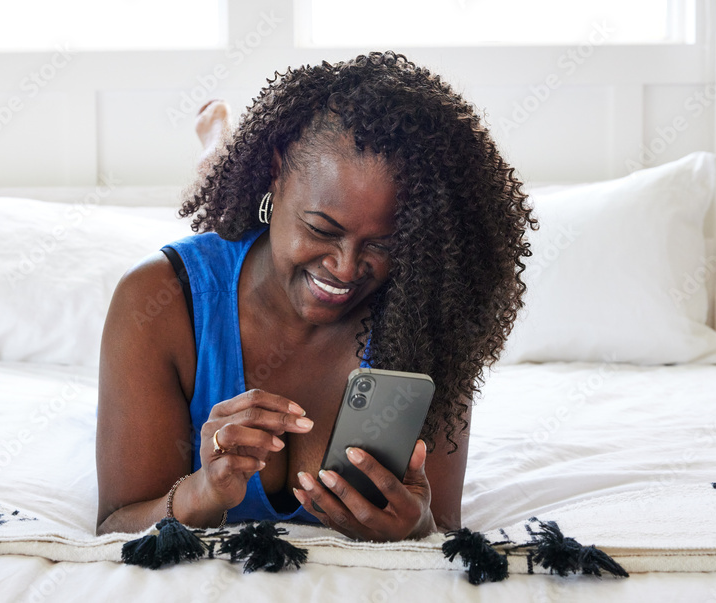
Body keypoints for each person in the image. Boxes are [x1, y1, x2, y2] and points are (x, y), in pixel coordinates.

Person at [96, 51, 535, 542]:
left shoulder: (433, 308)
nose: (346, 268)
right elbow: (116, 524)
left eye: (381, 244)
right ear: (277, 172)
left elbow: (443, 524)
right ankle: (217, 139)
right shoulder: (156, 298)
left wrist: (419, 525)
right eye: (321, 229)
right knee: (220, 193)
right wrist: (203, 493)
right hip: (243, 217)